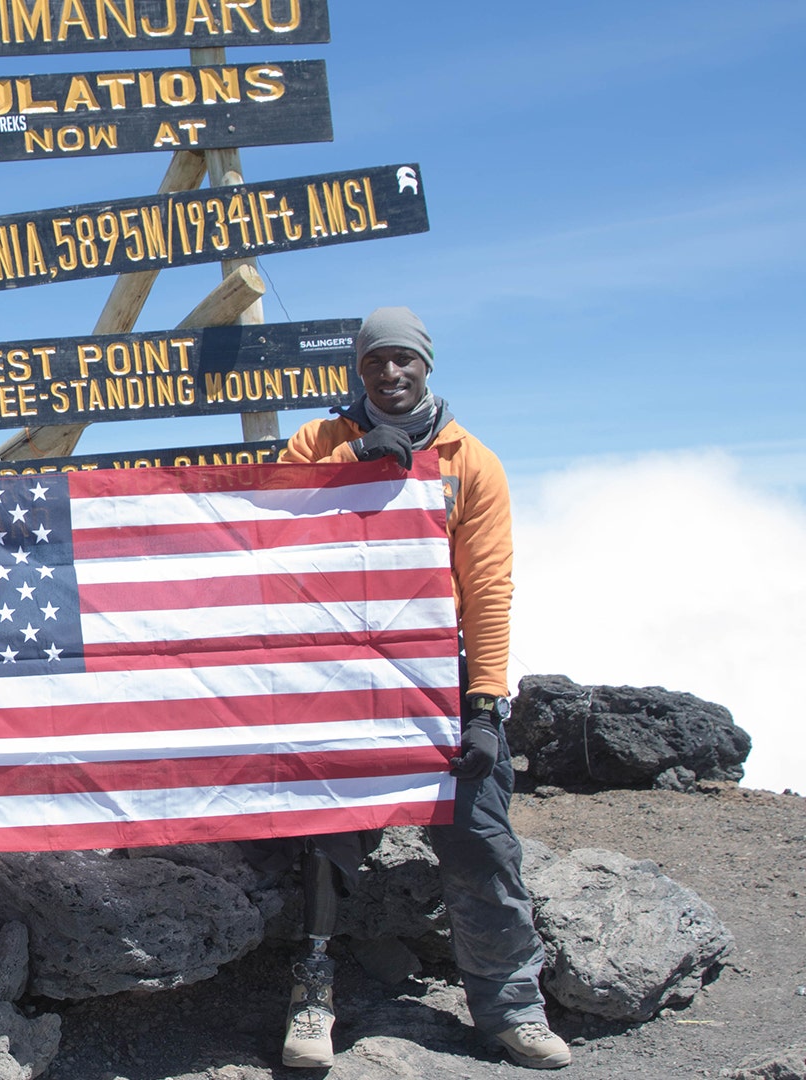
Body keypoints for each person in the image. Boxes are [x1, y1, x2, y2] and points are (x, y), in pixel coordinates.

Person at [272, 307, 571, 1070]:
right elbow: (268, 532)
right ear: (359, 371)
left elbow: (489, 588)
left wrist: (485, 706)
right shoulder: (319, 442)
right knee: (329, 843)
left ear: (427, 365)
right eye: (376, 362)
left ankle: (511, 1008)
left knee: (480, 841)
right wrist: (349, 475)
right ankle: (312, 1002)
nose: (390, 374)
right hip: (339, 675)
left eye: (403, 359)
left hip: (443, 679)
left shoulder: (475, 461)